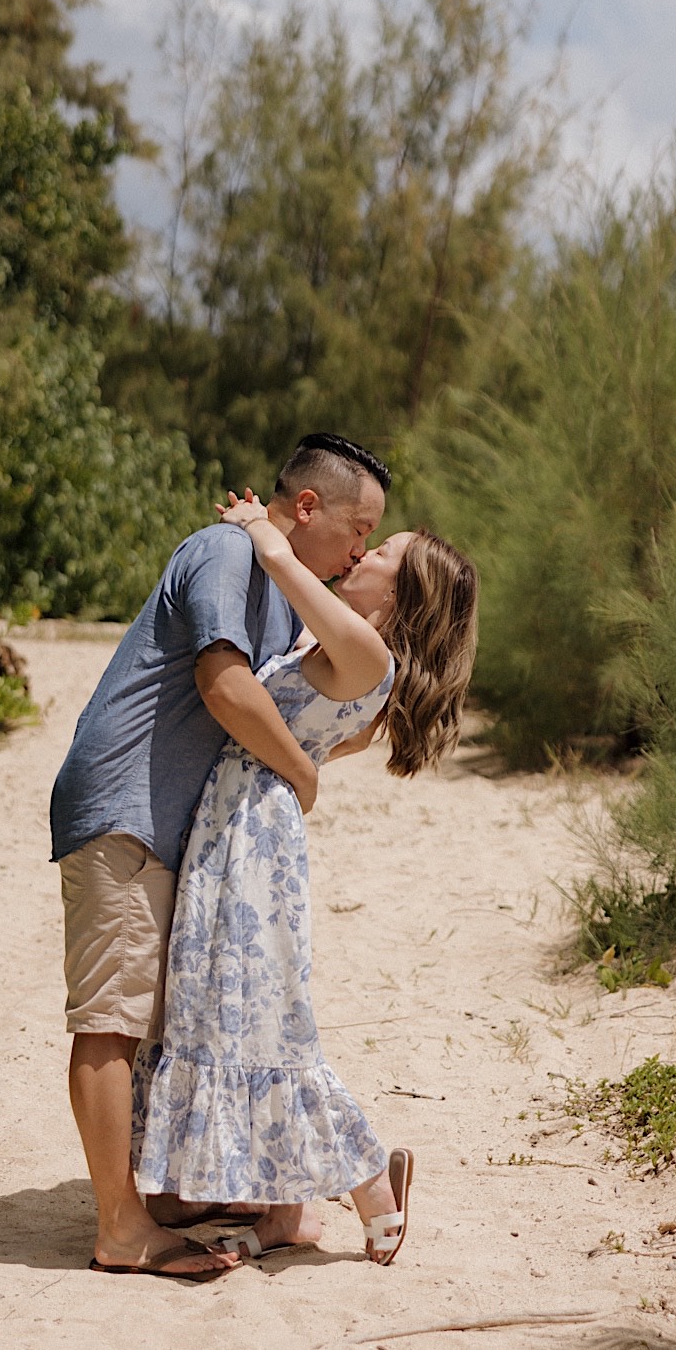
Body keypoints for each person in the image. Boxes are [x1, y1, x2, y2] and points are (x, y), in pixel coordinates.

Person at [49, 434, 390, 1279]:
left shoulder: (278, 583)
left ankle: (163, 1205)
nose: (358, 549)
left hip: (172, 829)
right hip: (127, 806)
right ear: (306, 506)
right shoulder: (225, 551)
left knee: (155, 1019)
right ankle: (122, 1228)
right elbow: (222, 683)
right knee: (112, 1019)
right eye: (359, 527)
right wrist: (302, 771)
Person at [132, 491, 480, 1265]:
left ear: (397, 596)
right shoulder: (339, 656)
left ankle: (369, 1181)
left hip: (254, 837)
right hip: (240, 823)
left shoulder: (368, 656)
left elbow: (284, 563)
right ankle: (287, 1214)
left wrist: (264, 525)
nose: (360, 556)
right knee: (248, 1010)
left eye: (378, 553)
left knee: (270, 1020)